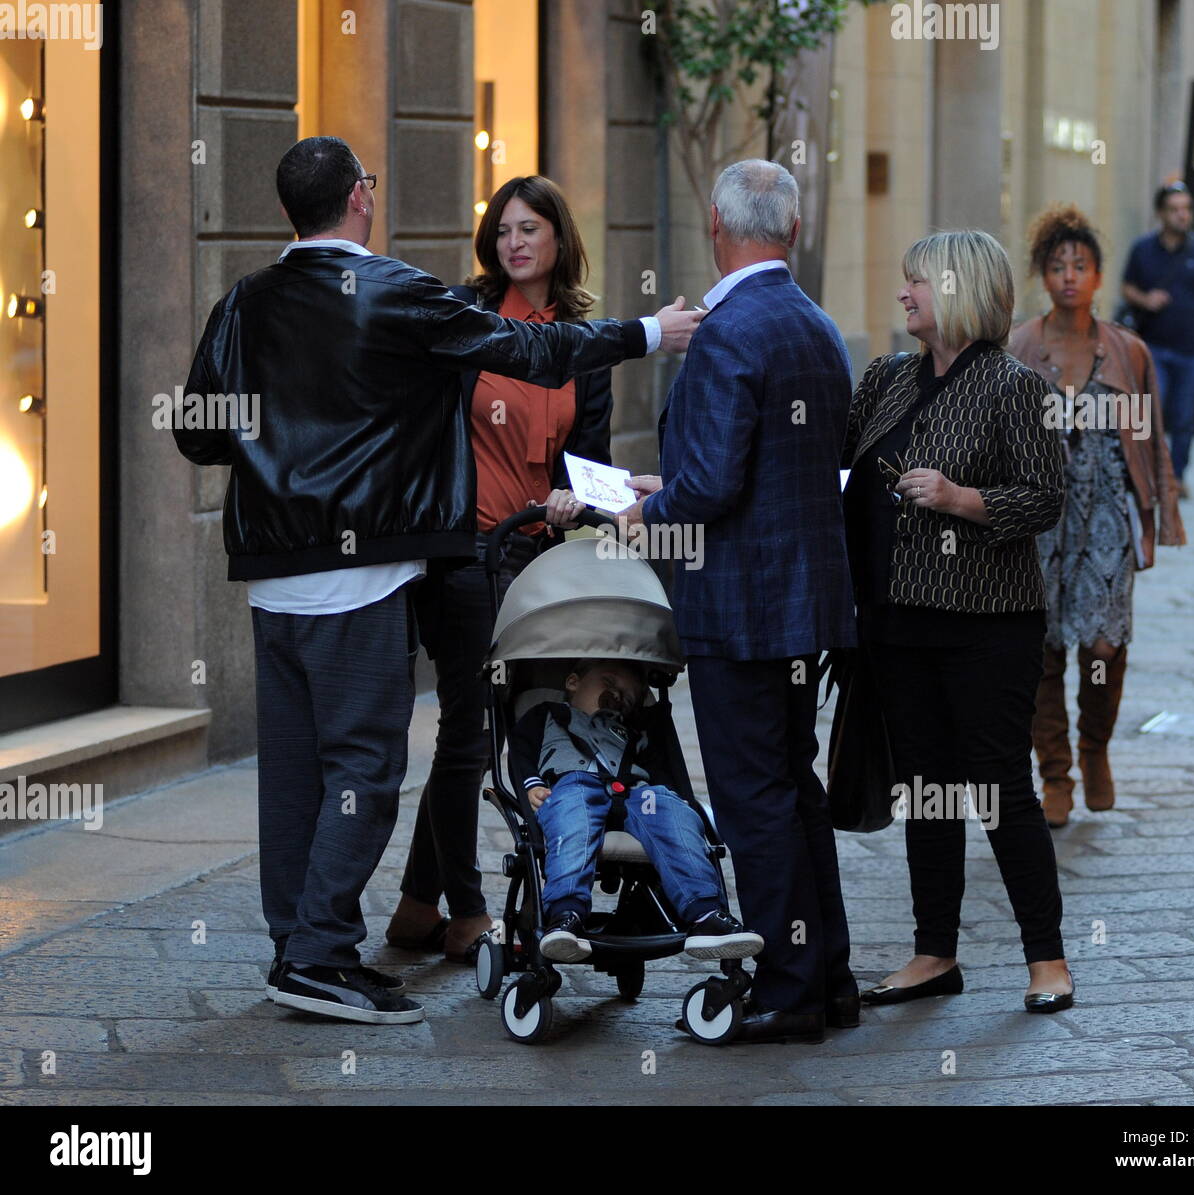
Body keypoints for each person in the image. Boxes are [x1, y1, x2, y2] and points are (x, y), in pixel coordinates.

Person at [173, 136, 700, 1025]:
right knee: (367, 767)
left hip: (272, 579)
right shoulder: (395, 291)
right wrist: (650, 331)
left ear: (288, 214)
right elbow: (524, 349)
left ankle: (297, 945)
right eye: (368, 185)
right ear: (358, 200)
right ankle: (315, 955)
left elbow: (197, 430)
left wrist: (274, 446)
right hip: (361, 572)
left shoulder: (244, 302)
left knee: (296, 772)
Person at [622, 159, 859, 1044]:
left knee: (757, 797)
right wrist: (674, 485)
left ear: (716, 227)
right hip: (805, 607)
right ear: (791, 230)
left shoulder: (726, 331)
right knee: (794, 788)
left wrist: (645, 507)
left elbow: (714, 483)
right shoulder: (815, 324)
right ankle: (825, 974)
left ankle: (790, 986)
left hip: (741, 606)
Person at [842, 229, 1074, 1013]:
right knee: (928, 790)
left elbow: (1046, 497)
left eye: (918, 283)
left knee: (1000, 787)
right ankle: (933, 952)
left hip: (987, 623)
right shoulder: (884, 380)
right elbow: (839, 470)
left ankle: (1048, 959)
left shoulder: (1015, 386)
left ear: (961, 291)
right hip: (896, 623)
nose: (904, 294)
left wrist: (959, 498)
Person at [385, 176, 614, 963]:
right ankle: (469, 907)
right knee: (467, 734)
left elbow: (595, 467)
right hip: (463, 554)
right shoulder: (465, 316)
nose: (516, 242)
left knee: (491, 729)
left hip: (536, 557)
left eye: (531, 228)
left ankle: (417, 904)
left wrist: (571, 499)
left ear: (558, 239)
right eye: (504, 229)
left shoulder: (583, 340)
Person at [1010, 205, 1186, 828]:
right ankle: (1054, 772)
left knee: (1105, 643)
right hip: (1039, 517)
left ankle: (1096, 747)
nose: (1068, 277)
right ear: (1042, 273)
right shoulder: (1020, 347)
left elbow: (1152, 438)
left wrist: (1155, 516)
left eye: (1080, 266)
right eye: (1057, 266)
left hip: (1108, 510)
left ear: (1098, 276)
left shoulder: (1128, 350)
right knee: (1043, 647)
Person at [511, 659, 763, 962]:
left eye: (628, 696)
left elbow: (661, 771)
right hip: (573, 783)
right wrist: (532, 784)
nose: (617, 694)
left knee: (670, 809)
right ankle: (566, 913)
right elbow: (521, 751)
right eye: (608, 682)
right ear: (573, 682)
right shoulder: (549, 715)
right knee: (572, 808)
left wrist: (680, 804)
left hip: (635, 793)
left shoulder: (636, 732)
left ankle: (705, 912)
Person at [1121, 181, 1194, 490]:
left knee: (1185, 417)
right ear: (1161, 213)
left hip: (1191, 348)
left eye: (1186, 209)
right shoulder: (1143, 249)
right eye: (1174, 209)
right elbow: (1127, 287)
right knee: (1153, 411)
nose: (1182, 215)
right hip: (1154, 346)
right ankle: (1153, 474)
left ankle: (1176, 476)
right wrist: (1146, 300)